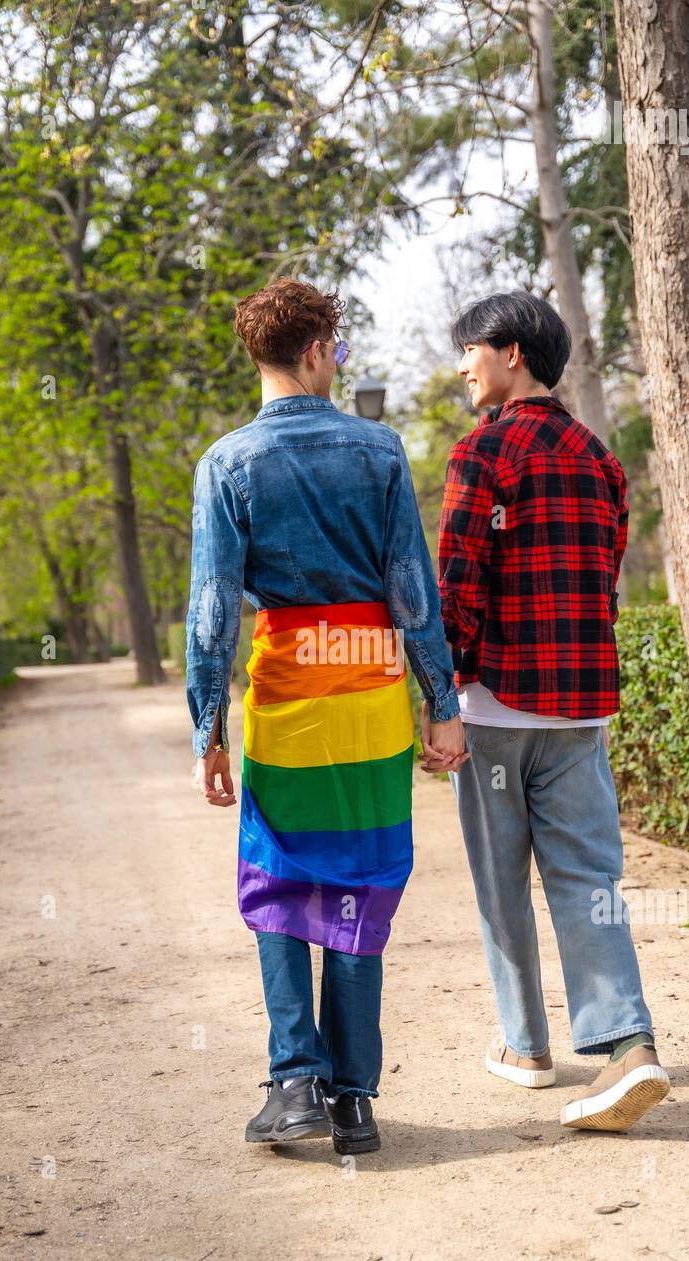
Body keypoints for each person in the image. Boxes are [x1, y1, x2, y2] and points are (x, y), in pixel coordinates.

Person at [185, 277, 466, 1154]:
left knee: (278, 887)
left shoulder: (227, 463)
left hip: (287, 704)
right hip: (372, 702)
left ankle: (294, 1079)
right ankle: (353, 1101)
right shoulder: (379, 452)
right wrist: (443, 704)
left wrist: (208, 728)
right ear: (316, 351)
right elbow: (412, 592)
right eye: (336, 350)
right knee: (359, 885)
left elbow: (212, 611)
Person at [431, 289, 670, 1132]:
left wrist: (440, 701)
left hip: (495, 707)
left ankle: (527, 1047)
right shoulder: (601, 459)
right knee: (589, 884)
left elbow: (456, 588)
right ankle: (628, 1048)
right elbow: (601, 576)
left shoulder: (483, 454)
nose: (463, 365)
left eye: (471, 350)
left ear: (511, 354)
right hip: (579, 714)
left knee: (503, 883)